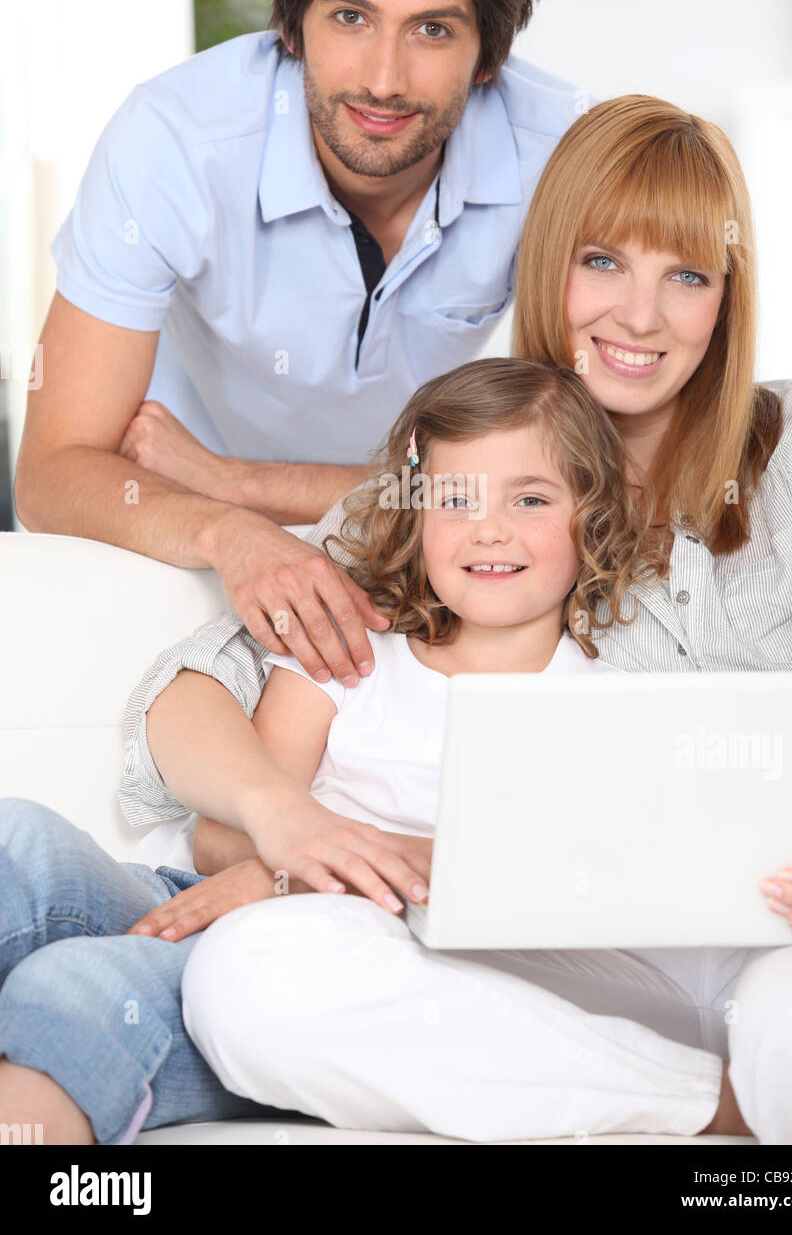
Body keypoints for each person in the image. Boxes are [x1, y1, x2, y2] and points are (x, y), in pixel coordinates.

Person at [121, 93, 792, 1144]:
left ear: (725, 297)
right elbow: (200, 688)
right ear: (547, 263)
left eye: (685, 276)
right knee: (251, 977)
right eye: (601, 263)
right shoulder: (450, 475)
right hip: (550, 960)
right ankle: (709, 1114)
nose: (638, 317)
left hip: (788, 935)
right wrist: (286, 827)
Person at [0, 358, 646, 1143]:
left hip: (334, 963)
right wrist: (298, 856)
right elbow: (218, 838)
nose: (491, 529)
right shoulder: (352, 651)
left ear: (594, 515)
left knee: (76, 982)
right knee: (17, 841)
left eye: (532, 499)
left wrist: (293, 879)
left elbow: (540, 885)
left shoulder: (601, 702)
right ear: (413, 515)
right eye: (455, 500)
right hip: (193, 892)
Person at [13, 0, 587, 653]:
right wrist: (228, 528)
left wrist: (251, 488)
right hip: (170, 519)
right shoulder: (175, 141)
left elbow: (587, 478)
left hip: (410, 530)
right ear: (289, 24)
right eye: (350, 18)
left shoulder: (563, 155)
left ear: (490, 57)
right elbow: (49, 475)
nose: (383, 80)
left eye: (431, 29)